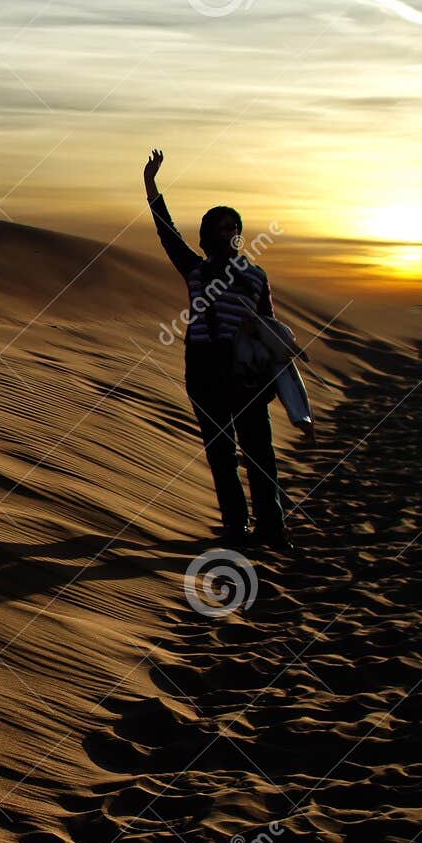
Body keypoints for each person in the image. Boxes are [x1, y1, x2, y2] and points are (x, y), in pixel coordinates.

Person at [143, 148, 313, 550]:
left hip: (247, 377)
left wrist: (279, 382)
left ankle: (272, 529)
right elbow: (167, 233)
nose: (229, 234)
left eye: (234, 228)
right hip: (204, 374)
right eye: (221, 229)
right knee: (221, 456)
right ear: (207, 236)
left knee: (260, 454)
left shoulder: (255, 275)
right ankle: (236, 529)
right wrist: (151, 184)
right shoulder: (196, 269)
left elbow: (270, 327)